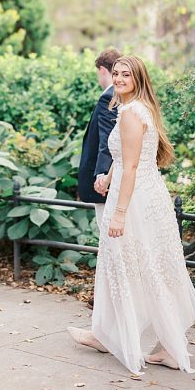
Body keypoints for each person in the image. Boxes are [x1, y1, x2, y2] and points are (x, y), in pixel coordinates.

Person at [69, 54, 195, 373]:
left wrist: (118, 214)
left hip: (135, 201)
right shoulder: (139, 109)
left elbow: (131, 165)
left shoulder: (130, 113)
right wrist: (106, 177)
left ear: (138, 78)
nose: (118, 78)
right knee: (149, 267)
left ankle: (116, 336)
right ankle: (145, 341)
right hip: (146, 193)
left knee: (130, 268)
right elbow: (129, 159)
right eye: (115, 73)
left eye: (125, 74)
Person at [77, 48, 121, 309]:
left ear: (103, 71)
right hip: (113, 180)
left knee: (108, 242)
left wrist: (101, 176)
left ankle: (107, 300)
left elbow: (106, 143)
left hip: (104, 184)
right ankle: (107, 297)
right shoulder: (124, 98)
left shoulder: (109, 99)